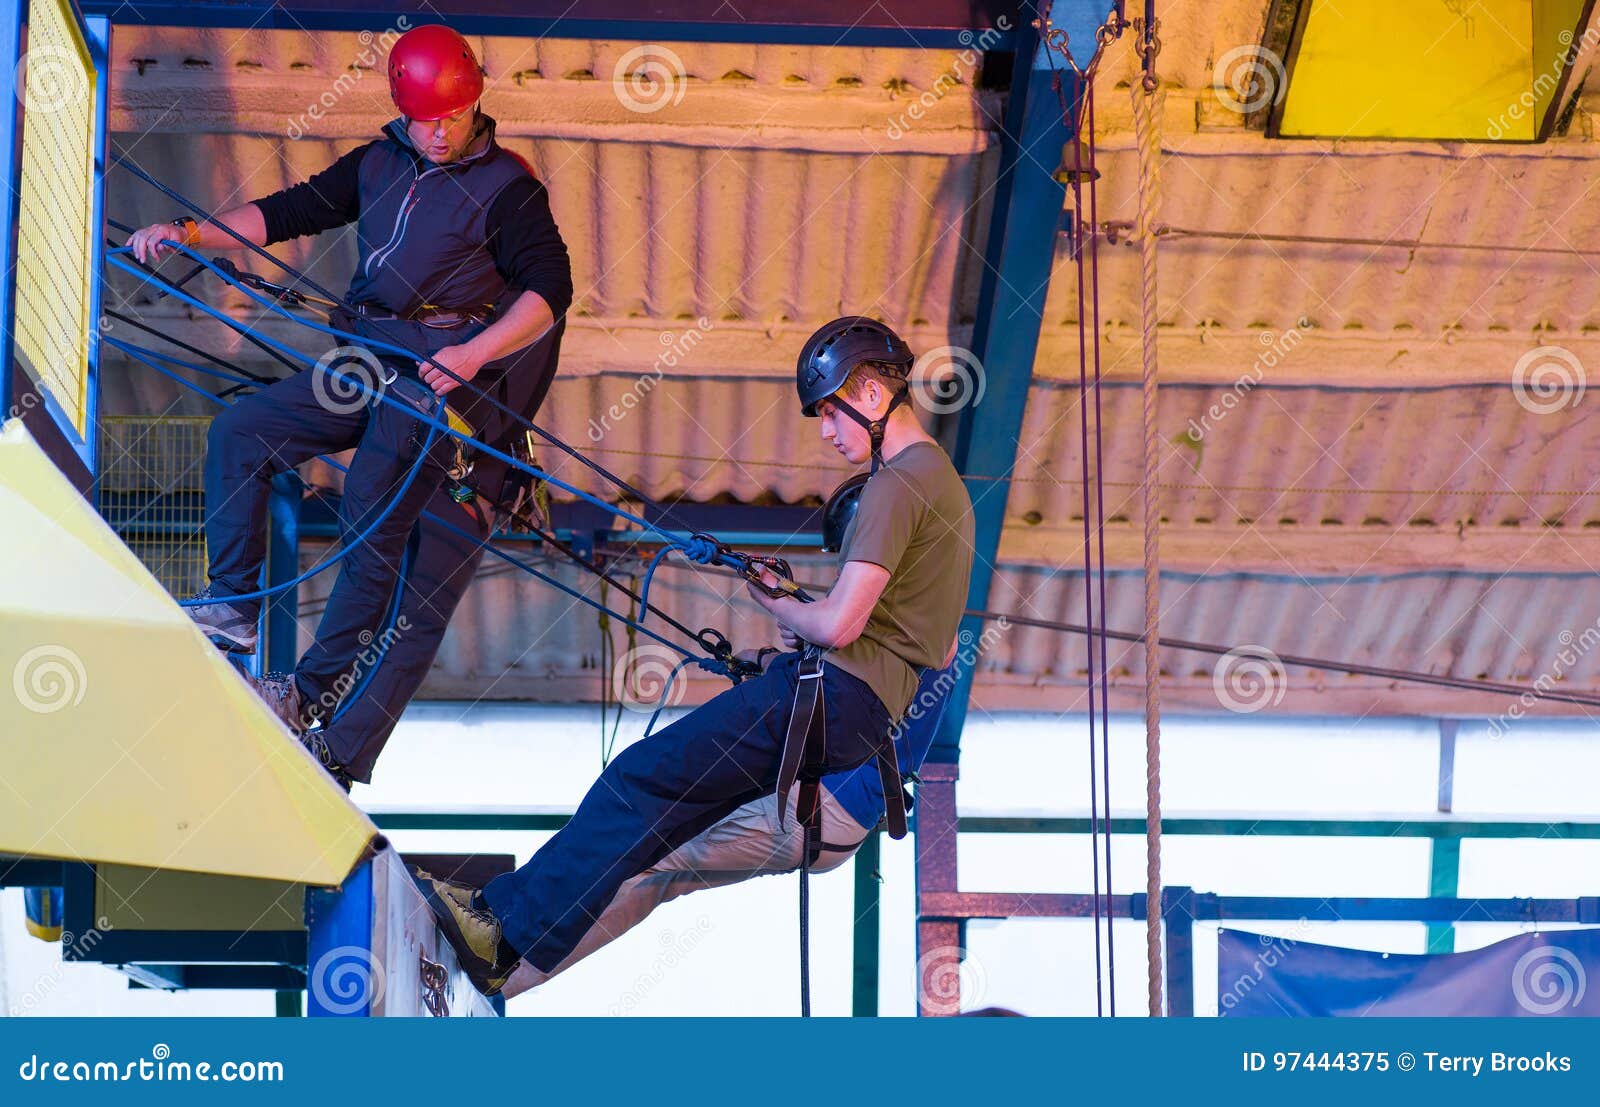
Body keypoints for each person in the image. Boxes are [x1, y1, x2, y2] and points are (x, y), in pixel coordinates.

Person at [419, 315, 976, 994]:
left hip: (829, 698)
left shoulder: (896, 479)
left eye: (829, 414)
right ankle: (506, 936)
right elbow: (938, 643)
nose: (827, 435)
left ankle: (499, 932)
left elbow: (837, 624)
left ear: (867, 391)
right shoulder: (948, 488)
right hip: (854, 716)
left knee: (640, 780)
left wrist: (780, 605)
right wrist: (809, 617)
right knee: (665, 819)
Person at [125, 24, 572, 735]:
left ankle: (308, 693)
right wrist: (187, 233)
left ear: (475, 102)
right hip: (365, 356)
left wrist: (472, 354)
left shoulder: (508, 189)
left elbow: (550, 292)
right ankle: (235, 603)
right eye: (426, 120)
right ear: (403, 111)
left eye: (453, 117)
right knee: (243, 430)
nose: (438, 134)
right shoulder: (377, 162)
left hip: (431, 377)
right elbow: (288, 211)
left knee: (369, 503)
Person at [500, 660, 957, 997]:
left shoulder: (915, 631)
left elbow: (842, 670)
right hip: (831, 821)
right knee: (655, 875)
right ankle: (508, 971)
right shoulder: (922, 640)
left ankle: (502, 954)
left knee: (634, 850)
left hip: (819, 805)